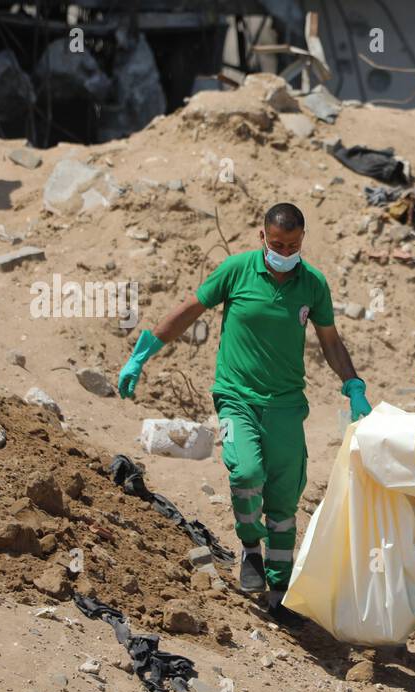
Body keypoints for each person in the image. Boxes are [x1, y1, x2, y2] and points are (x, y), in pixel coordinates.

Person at [116, 202, 371, 628]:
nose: (284, 251)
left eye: (292, 244)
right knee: (246, 471)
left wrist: (353, 383)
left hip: (287, 404)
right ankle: (251, 546)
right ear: (262, 237)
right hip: (236, 397)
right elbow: (190, 309)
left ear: (302, 239)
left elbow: (330, 340)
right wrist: (144, 351)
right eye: (276, 243)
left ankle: (279, 592)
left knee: (285, 501)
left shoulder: (313, 285)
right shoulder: (236, 270)